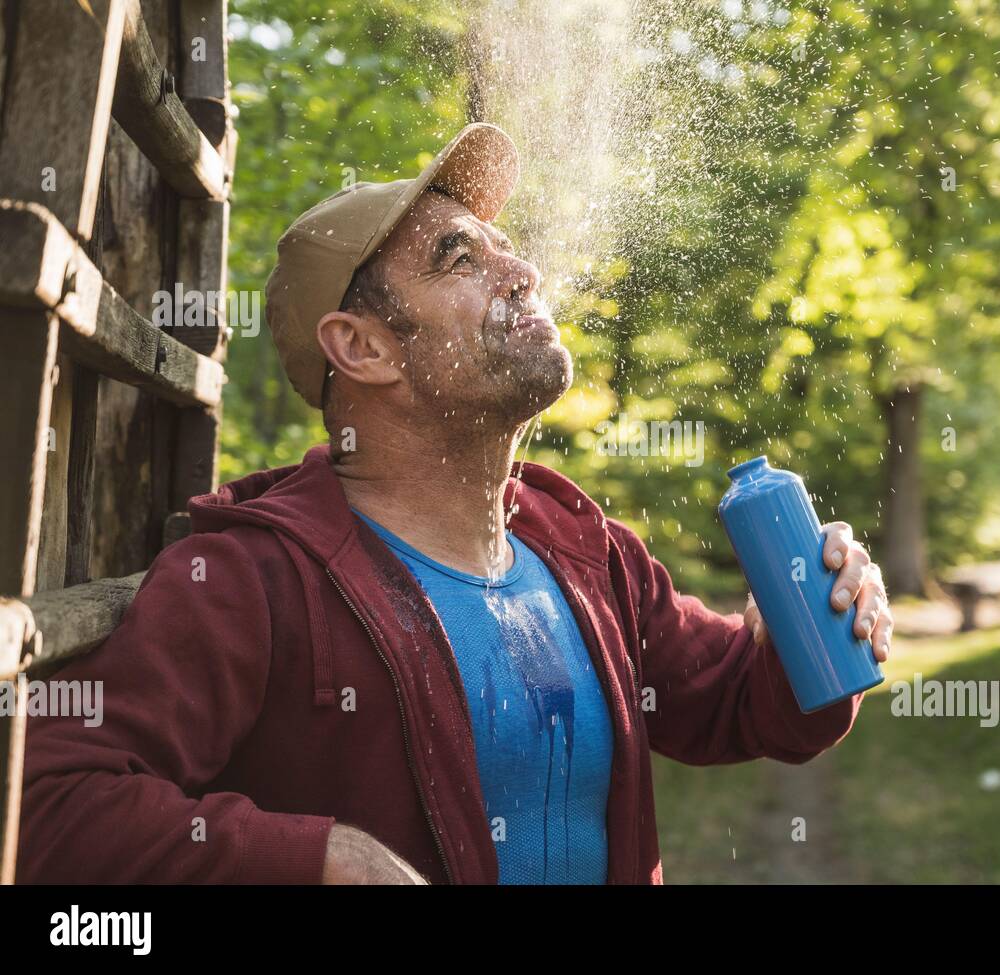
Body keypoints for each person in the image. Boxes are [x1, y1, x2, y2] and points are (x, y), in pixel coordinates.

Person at [18, 123, 893, 884]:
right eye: (459, 257)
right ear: (361, 348)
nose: (523, 269)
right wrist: (319, 859)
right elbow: (45, 805)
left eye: (501, 243)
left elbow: (748, 703)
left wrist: (810, 630)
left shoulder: (582, 546)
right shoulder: (250, 578)